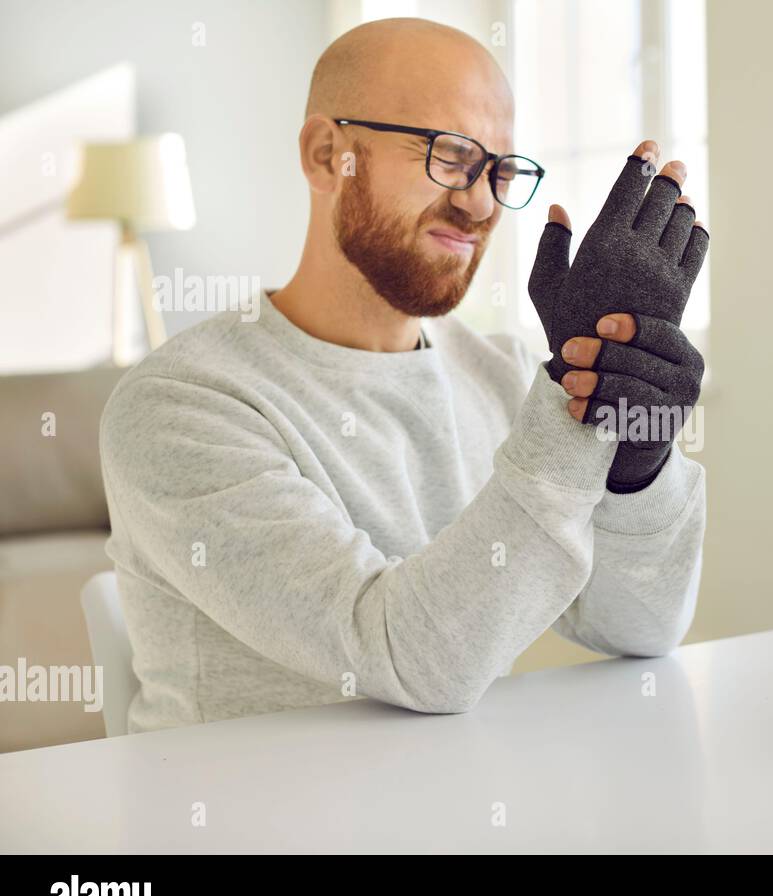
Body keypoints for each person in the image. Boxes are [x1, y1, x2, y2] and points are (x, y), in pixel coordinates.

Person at [98, 18, 708, 732]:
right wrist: (568, 422)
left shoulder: (502, 374)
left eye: (499, 170)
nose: (479, 202)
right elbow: (404, 656)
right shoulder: (181, 406)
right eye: (448, 154)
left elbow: (641, 629)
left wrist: (635, 458)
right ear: (328, 155)